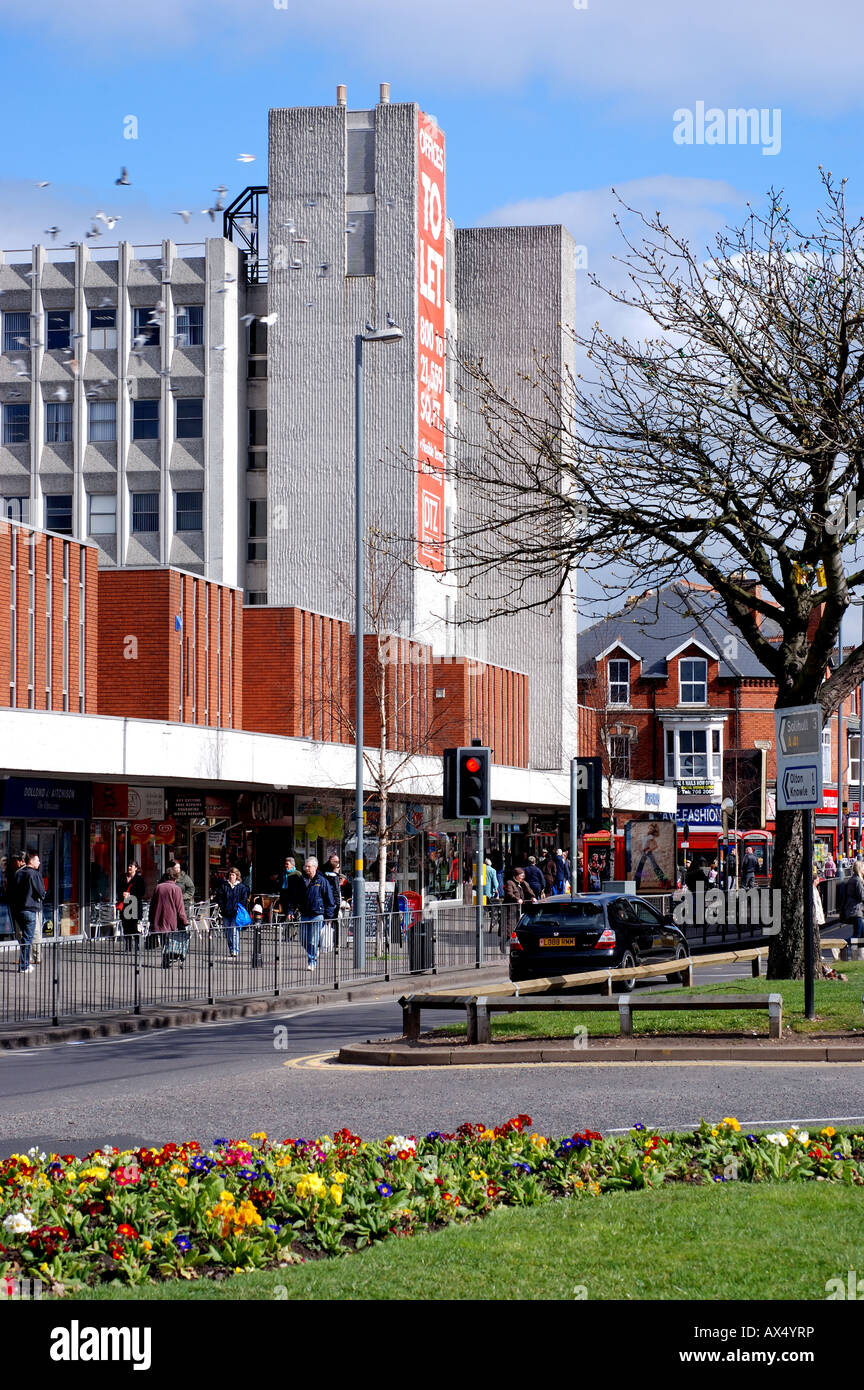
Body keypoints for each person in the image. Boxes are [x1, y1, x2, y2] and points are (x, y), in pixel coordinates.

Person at [293, 857, 337, 970]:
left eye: (309, 866)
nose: (306, 868)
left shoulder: (322, 881)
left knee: (312, 939)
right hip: (304, 914)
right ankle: (313, 951)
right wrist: (291, 910)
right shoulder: (301, 880)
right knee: (303, 939)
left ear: (315, 867)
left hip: (317, 914)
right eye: (305, 866)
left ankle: (312, 961)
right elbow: (295, 896)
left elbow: (329, 899)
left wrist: (329, 916)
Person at [148, 865, 189, 969]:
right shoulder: (176, 889)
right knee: (170, 940)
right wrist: (184, 921)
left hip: (158, 918)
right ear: (175, 878)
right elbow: (180, 908)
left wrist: (151, 919)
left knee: (163, 940)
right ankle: (167, 957)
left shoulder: (158, 887)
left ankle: (165, 958)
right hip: (171, 919)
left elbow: (152, 905)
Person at [13, 850, 46, 975]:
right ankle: (24, 965)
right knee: (28, 938)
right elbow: (41, 892)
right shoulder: (34, 874)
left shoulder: (18, 873)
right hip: (30, 909)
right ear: (31, 861)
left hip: (18, 909)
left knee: (24, 938)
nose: (39, 862)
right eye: (37, 860)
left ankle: (25, 963)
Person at [215, 865, 249, 959]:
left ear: (237, 876)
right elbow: (220, 898)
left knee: (234, 931)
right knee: (227, 932)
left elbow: (244, 899)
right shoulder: (224, 886)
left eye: (233, 875)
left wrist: (238, 907)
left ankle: (235, 950)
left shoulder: (241, 887)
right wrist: (223, 907)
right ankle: (231, 948)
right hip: (226, 913)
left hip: (236, 913)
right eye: (230, 874)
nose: (231, 876)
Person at [320, 853, 345, 952]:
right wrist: (335, 875)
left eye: (338, 862)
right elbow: (331, 887)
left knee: (335, 921)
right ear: (330, 860)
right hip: (328, 900)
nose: (337, 864)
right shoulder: (326, 871)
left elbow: (336, 888)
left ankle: (336, 943)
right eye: (335, 861)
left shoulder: (335, 872)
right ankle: (324, 943)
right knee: (326, 921)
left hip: (335, 900)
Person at [119, 862, 146, 952]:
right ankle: (128, 946)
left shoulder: (139, 879)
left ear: (136, 868)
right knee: (125, 926)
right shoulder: (122, 877)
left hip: (134, 905)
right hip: (125, 905)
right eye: (129, 865)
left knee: (134, 926)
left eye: (131, 866)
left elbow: (142, 892)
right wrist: (122, 894)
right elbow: (118, 889)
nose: (129, 867)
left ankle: (137, 944)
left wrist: (130, 894)